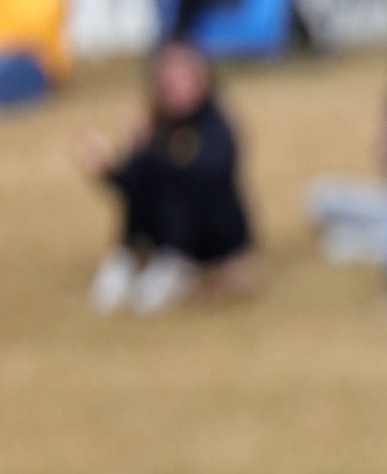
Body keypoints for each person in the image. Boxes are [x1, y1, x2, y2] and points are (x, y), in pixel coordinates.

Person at [78, 41, 255, 314]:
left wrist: (149, 152)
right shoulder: (157, 127)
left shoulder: (215, 126)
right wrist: (110, 171)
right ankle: (125, 258)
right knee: (146, 184)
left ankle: (174, 265)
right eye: (168, 80)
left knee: (171, 183)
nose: (175, 87)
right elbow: (136, 187)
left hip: (215, 235)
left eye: (183, 78)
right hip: (167, 231)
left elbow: (206, 176)